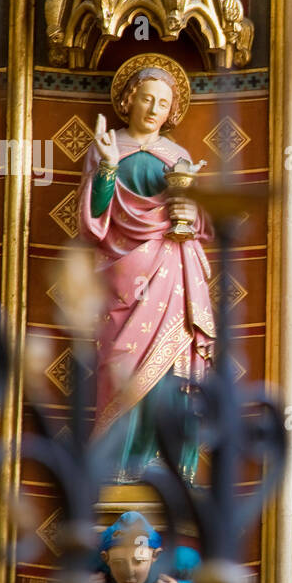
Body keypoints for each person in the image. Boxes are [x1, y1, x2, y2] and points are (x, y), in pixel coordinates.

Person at [79, 55, 212, 483]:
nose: (154, 109)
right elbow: (94, 219)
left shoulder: (177, 157)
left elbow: (200, 223)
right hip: (123, 273)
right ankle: (120, 465)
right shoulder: (108, 147)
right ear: (129, 100)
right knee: (122, 363)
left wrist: (188, 213)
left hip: (173, 269)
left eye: (163, 103)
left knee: (171, 369)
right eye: (147, 99)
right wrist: (105, 167)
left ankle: (166, 465)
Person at [92, 510, 201, 583]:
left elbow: (211, 579)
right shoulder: (93, 561)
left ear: (155, 555)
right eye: (119, 563)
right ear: (106, 558)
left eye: (139, 561)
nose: (129, 572)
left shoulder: (178, 560)